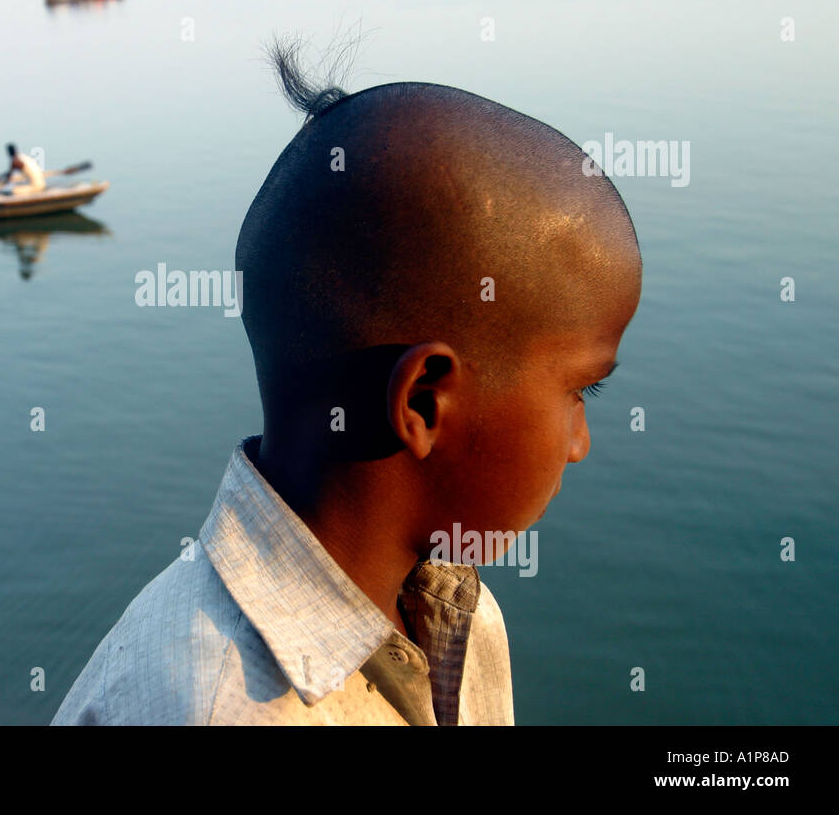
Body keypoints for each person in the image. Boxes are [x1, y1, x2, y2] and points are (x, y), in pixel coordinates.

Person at [52, 45, 643, 726]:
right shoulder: (228, 706)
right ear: (423, 402)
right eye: (580, 392)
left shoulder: (453, 610)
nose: (579, 445)